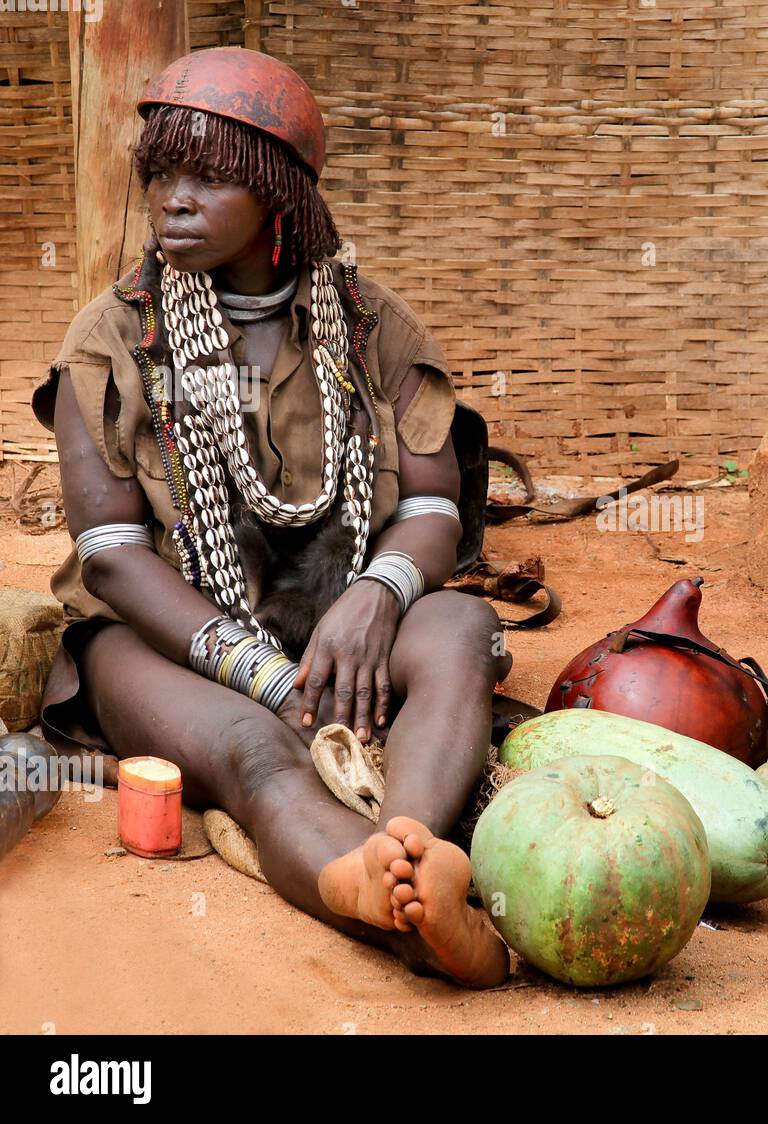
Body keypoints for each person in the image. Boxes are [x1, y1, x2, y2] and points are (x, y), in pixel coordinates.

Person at [28, 47, 510, 986]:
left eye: (207, 176)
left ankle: (407, 844)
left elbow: (433, 508)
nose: (172, 197)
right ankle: (383, 903)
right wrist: (259, 672)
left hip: (345, 630)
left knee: (459, 623)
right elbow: (115, 554)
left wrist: (377, 594)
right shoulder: (115, 333)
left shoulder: (371, 324)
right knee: (253, 747)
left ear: (279, 191)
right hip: (161, 636)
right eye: (161, 172)